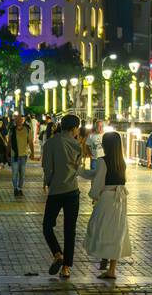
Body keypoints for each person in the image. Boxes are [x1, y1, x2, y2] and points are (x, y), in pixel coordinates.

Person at [83, 130, 131, 279]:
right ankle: (111, 268)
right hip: (120, 199)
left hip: (107, 198)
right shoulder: (121, 161)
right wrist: (79, 171)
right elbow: (98, 175)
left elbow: (98, 180)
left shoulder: (103, 160)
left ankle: (104, 257)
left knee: (98, 227)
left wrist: (95, 195)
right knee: (116, 231)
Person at [41, 113, 83, 279]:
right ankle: (66, 267)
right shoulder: (77, 145)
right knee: (69, 230)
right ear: (74, 128)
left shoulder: (50, 143)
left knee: (47, 226)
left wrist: (49, 182)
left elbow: (47, 168)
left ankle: (57, 254)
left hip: (56, 191)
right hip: (72, 191)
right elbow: (77, 168)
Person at [8, 114, 34, 197]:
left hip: (23, 155)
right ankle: (15, 188)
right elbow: (9, 142)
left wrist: (32, 153)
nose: (19, 121)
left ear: (23, 120)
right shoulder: (12, 130)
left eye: (21, 119)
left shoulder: (27, 129)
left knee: (22, 174)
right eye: (17, 119)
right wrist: (7, 154)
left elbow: (30, 142)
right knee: (14, 173)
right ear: (15, 121)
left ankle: (20, 188)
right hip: (14, 155)